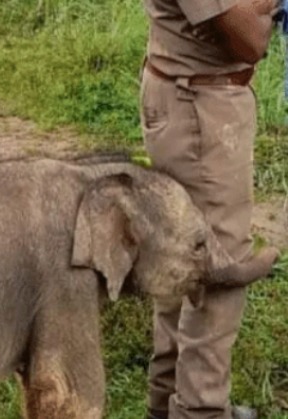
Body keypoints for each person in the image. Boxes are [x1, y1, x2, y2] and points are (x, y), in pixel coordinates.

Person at [139, 1, 280, 418]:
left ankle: (169, 402)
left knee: (178, 259)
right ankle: (200, 409)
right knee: (220, 269)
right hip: (200, 108)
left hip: (189, 95)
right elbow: (249, 39)